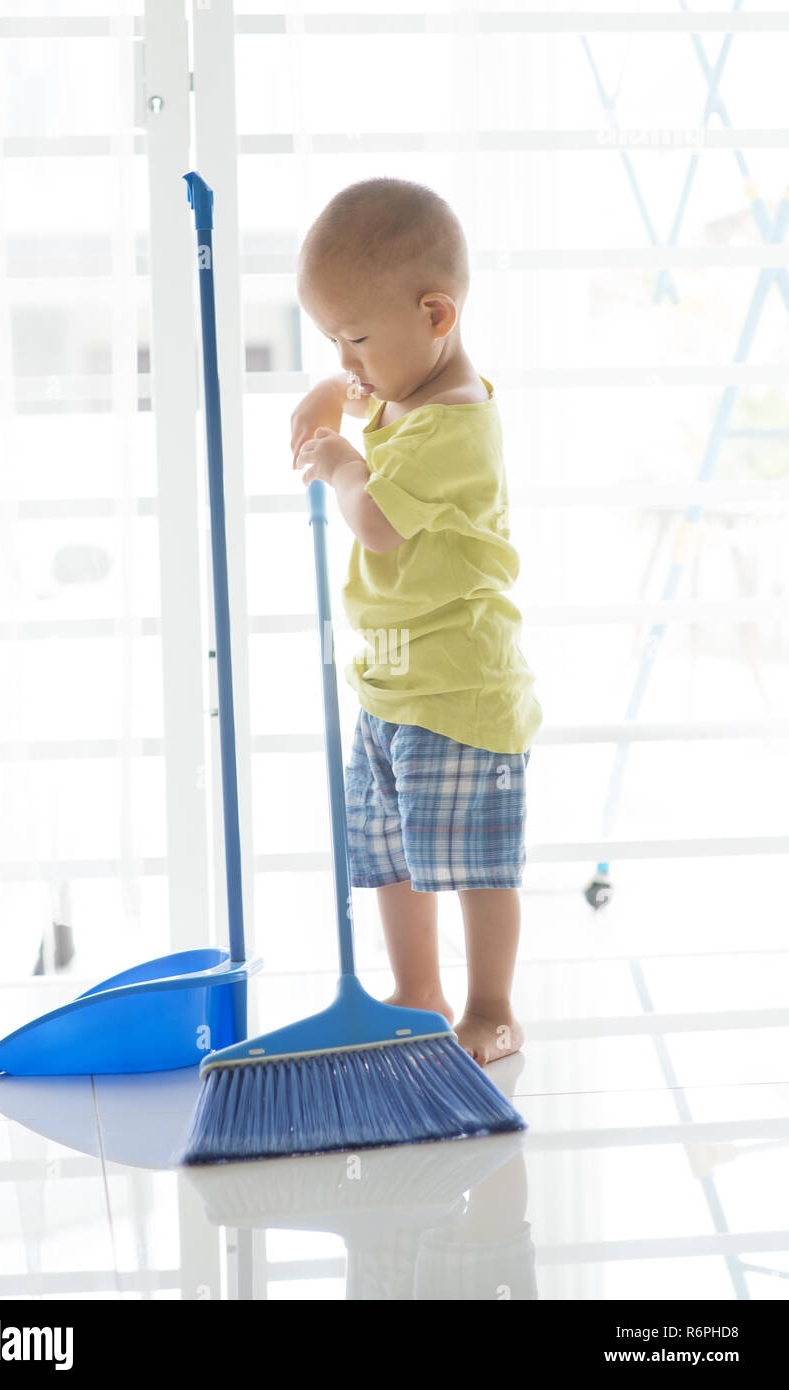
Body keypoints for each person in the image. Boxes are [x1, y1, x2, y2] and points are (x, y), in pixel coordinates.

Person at [290, 177, 542, 1066]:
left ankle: (491, 1006)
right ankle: (417, 989)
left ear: (436, 313)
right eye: (333, 340)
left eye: (355, 339)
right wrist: (336, 388)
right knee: (391, 856)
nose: (349, 361)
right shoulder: (404, 386)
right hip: (394, 682)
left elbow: (379, 521)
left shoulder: (455, 424)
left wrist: (337, 463)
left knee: (473, 863)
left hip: (462, 691)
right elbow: (369, 397)